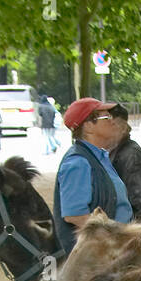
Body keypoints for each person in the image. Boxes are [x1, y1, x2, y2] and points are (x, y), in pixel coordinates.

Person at [53, 97, 134, 255]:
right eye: (106, 117)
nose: (112, 121)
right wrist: (112, 239)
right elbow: (75, 215)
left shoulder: (98, 157)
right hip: (96, 258)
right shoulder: (78, 162)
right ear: (88, 126)